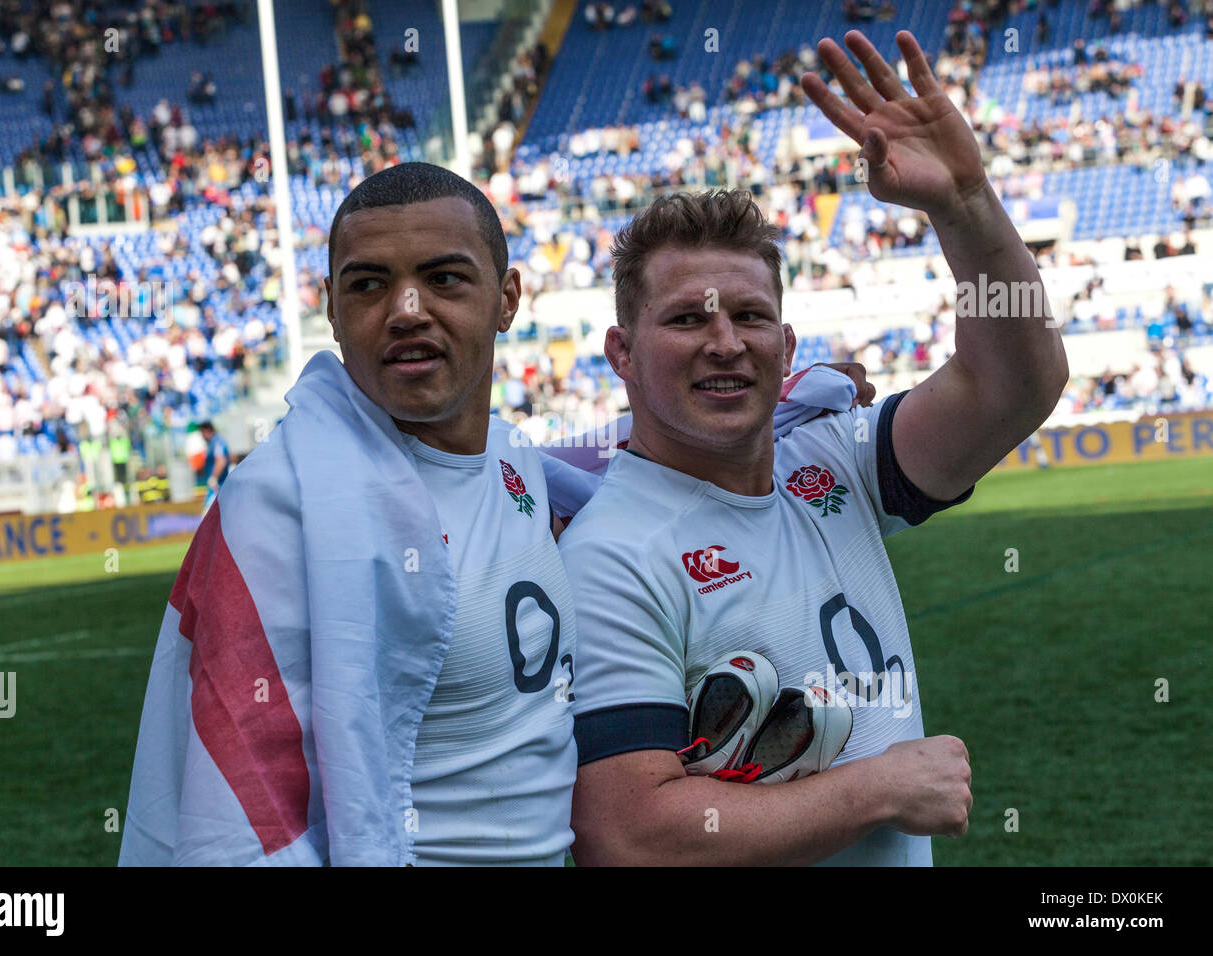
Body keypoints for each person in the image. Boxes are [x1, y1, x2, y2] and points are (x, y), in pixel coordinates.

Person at [560, 30, 1068, 866]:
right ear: (621, 354)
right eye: (687, 318)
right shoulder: (611, 557)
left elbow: (1016, 384)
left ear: (788, 347)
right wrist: (879, 788)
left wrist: (965, 200)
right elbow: (628, 835)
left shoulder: (837, 463)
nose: (725, 342)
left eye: (750, 317)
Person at [120, 162, 585, 866]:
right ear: (332, 309)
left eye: (444, 279)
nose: (405, 309)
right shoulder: (282, 503)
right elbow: (246, 825)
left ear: (508, 298)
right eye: (367, 285)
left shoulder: (517, 456)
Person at [197, 421, 230, 512]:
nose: (202, 436)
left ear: (207, 431)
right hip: (216, 488)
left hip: (217, 487)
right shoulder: (214, 442)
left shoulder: (217, 442)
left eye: (202, 433)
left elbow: (221, 461)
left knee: (207, 516)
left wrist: (214, 478)